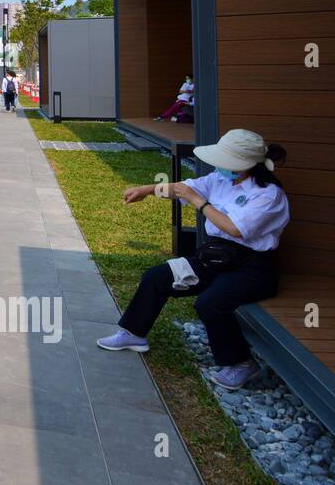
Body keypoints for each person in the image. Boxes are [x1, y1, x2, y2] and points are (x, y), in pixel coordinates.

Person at [98, 129, 289, 390]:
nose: (220, 167)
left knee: (210, 303)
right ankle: (133, 333)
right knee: (158, 277)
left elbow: (235, 229)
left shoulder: (268, 195)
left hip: (252, 267)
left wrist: (199, 202)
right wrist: (147, 189)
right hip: (217, 257)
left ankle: (242, 364)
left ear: (247, 165)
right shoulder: (220, 180)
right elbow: (182, 189)